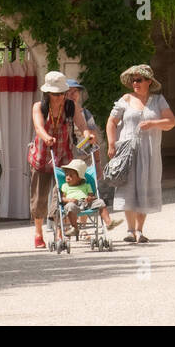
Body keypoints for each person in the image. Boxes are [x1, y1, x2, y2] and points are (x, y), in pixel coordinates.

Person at [106, 64, 175, 244]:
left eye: (139, 80)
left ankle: (139, 230)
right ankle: (129, 230)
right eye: (133, 80)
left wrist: (152, 123)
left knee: (145, 186)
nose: (135, 83)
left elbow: (171, 122)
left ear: (148, 82)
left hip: (149, 150)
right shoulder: (126, 98)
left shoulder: (158, 100)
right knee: (127, 186)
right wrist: (111, 144)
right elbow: (111, 122)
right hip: (127, 150)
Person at [66, 78, 121, 232]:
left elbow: (93, 137)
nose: (73, 94)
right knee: (68, 192)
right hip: (67, 159)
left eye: (75, 91)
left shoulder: (86, 113)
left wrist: (97, 162)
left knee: (87, 191)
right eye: (69, 91)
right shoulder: (61, 111)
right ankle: (69, 226)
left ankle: (83, 228)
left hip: (83, 158)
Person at [30, 71, 74, 249]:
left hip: (63, 156)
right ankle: (38, 232)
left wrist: (87, 133)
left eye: (62, 93)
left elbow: (82, 124)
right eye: (56, 94)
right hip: (42, 156)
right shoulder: (39, 107)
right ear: (48, 93)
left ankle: (59, 231)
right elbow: (38, 126)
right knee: (39, 197)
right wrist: (46, 136)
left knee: (60, 194)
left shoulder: (70, 106)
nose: (59, 97)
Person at [58, 158, 104, 236]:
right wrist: (69, 200)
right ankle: (74, 227)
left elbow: (91, 196)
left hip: (86, 204)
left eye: (71, 175)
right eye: (66, 175)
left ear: (79, 178)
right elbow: (62, 198)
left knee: (100, 202)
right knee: (70, 206)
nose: (67, 177)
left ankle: (109, 223)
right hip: (73, 204)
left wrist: (90, 198)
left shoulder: (86, 185)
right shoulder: (65, 186)